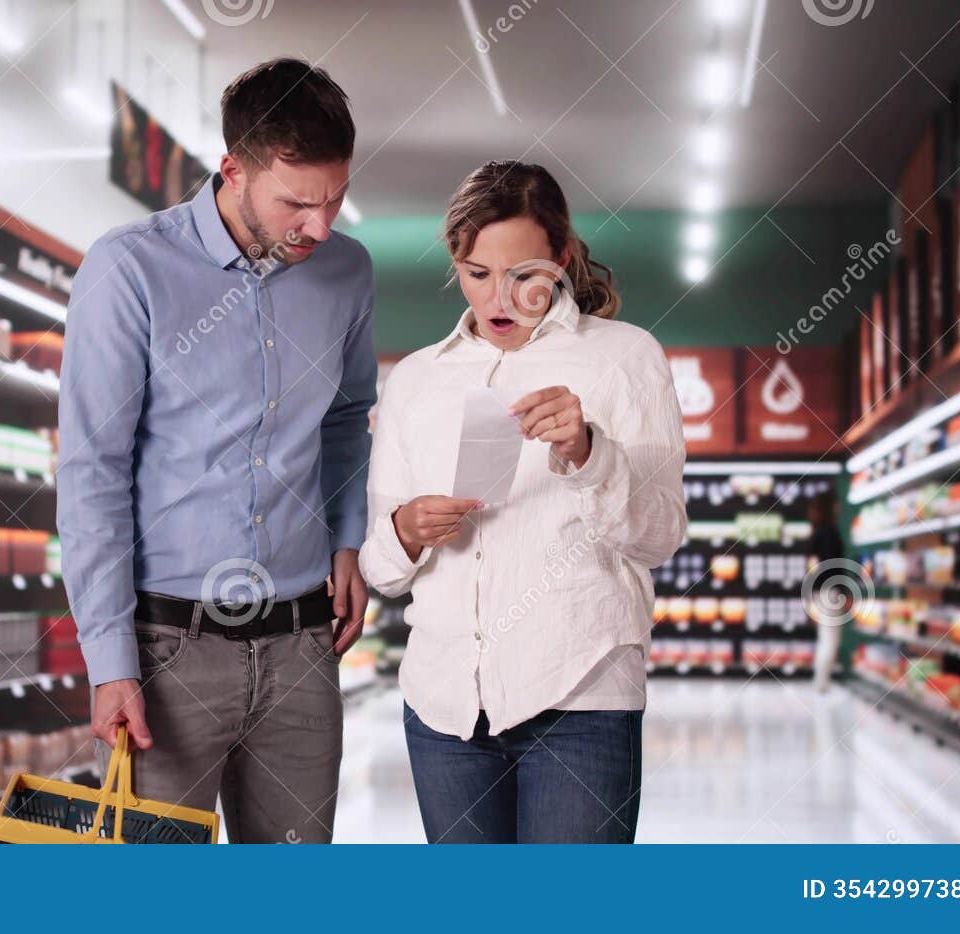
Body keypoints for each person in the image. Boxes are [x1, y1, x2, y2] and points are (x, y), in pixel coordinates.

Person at [57, 58, 375, 843]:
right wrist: (109, 661)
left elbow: (346, 418)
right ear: (233, 170)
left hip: (303, 647)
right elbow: (93, 470)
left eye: (333, 198)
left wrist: (348, 539)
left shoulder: (346, 271)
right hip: (166, 652)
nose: (320, 226)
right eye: (296, 202)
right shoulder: (130, 268)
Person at [358, 161, 687, 844]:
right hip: (445, 710)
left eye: (525, 275)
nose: (500, 298)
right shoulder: (416, 381)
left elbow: (659, 537)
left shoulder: (625, 359)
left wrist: (589, 455)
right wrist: (406, 529)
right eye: (478, 274)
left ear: (562, 259)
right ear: (455, 262)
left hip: (581, 699)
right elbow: (383, 571)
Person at [807, 492, 846, 693]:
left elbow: (813, 566)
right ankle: (821, 683)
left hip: (818, 592)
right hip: (830, 592)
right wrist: (844, 592)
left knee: (825, 637)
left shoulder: (816, 532)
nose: (839, 507)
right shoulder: (830, 532)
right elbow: (834, 566)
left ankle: (820, 681)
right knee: (831, 638)